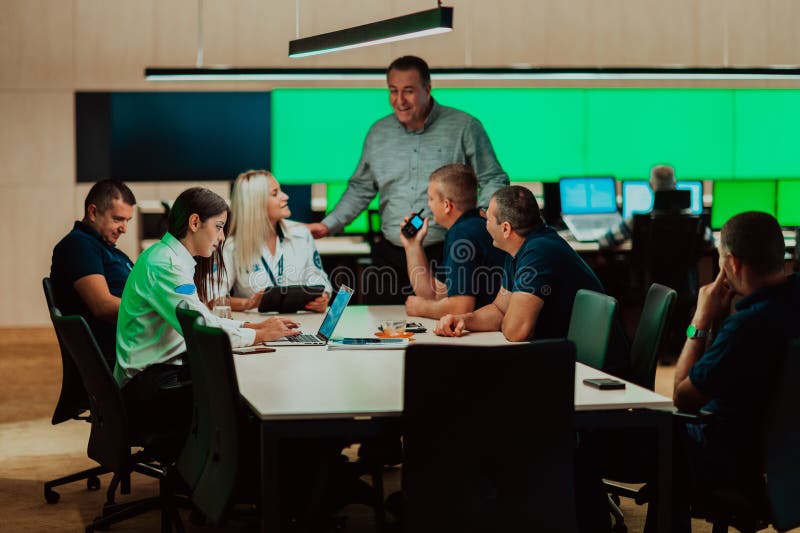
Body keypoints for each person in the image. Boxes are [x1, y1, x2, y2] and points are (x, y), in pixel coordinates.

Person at [306, 55, 509, 303]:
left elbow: (493, 178)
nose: (399, 100)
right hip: (391, 256)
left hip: (448, 252)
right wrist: (329, 224)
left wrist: (481, 217)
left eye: (409, 91)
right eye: (393, 91)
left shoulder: (465, 127)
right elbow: (360, 188)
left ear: (427, 89)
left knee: (442, 329)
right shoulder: (378, 133)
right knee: (380, 329)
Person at [114, 187, 299, 452]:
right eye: (219, 227)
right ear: (194, 222)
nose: (222, 237)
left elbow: (201, 317)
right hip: (150, 390)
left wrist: (250, 326)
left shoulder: (167, 258)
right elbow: (201, 331)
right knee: (244, 403)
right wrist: (259, 335)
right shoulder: (165, 267)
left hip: (156, 377)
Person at [666, 211, 800, 531]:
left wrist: (700, 320)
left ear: (733, 264)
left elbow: (683, 397)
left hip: (739, 462)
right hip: (787, 459)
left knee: (660, 433)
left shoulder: (747, 326)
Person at [434, 185, 629, 376]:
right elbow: (499, 310)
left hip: (595, 373)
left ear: (505, 229)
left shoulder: (539, 252)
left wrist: (509, 317)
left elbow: (517, 331)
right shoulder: (521, 249)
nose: (484, 219)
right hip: (570, 362)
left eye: (489, 216)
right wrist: (463, 320)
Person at [400, 163, 506, 319]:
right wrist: (412, 245)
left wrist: (421, 308)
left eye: (431, 198)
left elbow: (461, 307)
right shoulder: (474, 225)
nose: (428, 204)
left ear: (447, 205)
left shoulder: (462, 234)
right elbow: (436, 294)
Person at [50, 179, 136, 366]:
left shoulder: (111, 250)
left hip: (135, 346)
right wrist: (155, 310)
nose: (124, 229)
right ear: (93, 212)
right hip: (119, 357)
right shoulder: (78, 245)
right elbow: (103, 306)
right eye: (118, 219)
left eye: (127, 221)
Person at [222, 170, 331, 312]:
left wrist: (323, 298)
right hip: (257, 328)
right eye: (275, 193)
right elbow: (212, 298)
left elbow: (319, 280)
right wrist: (247, 303)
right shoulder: (232, 247)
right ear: (256, 203)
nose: (285, 197)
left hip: (300, 325)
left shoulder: (301, 236)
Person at [598, 164, 713, 248]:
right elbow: (710, 241)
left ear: (650, 185)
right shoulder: (693, 220)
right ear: (674, 184)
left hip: (649, 281)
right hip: (684, 281)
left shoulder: (639, 220)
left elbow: (605, 242)